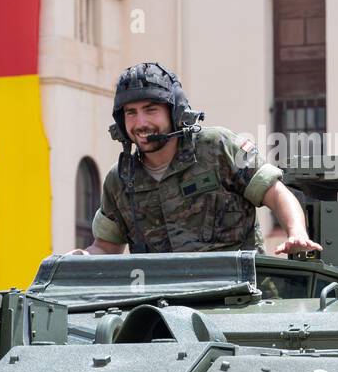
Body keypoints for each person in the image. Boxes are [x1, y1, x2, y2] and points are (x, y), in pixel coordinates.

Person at [69, 62, 323, 256]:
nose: (140, 123)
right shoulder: (121, 179)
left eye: (151, 110)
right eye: (131, 113)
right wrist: (84, 257)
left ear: (176, 113)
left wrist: (296, 233)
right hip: (165, 308)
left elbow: (276, 194)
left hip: (242, 299)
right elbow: (106, 246)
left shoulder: (218, 148)